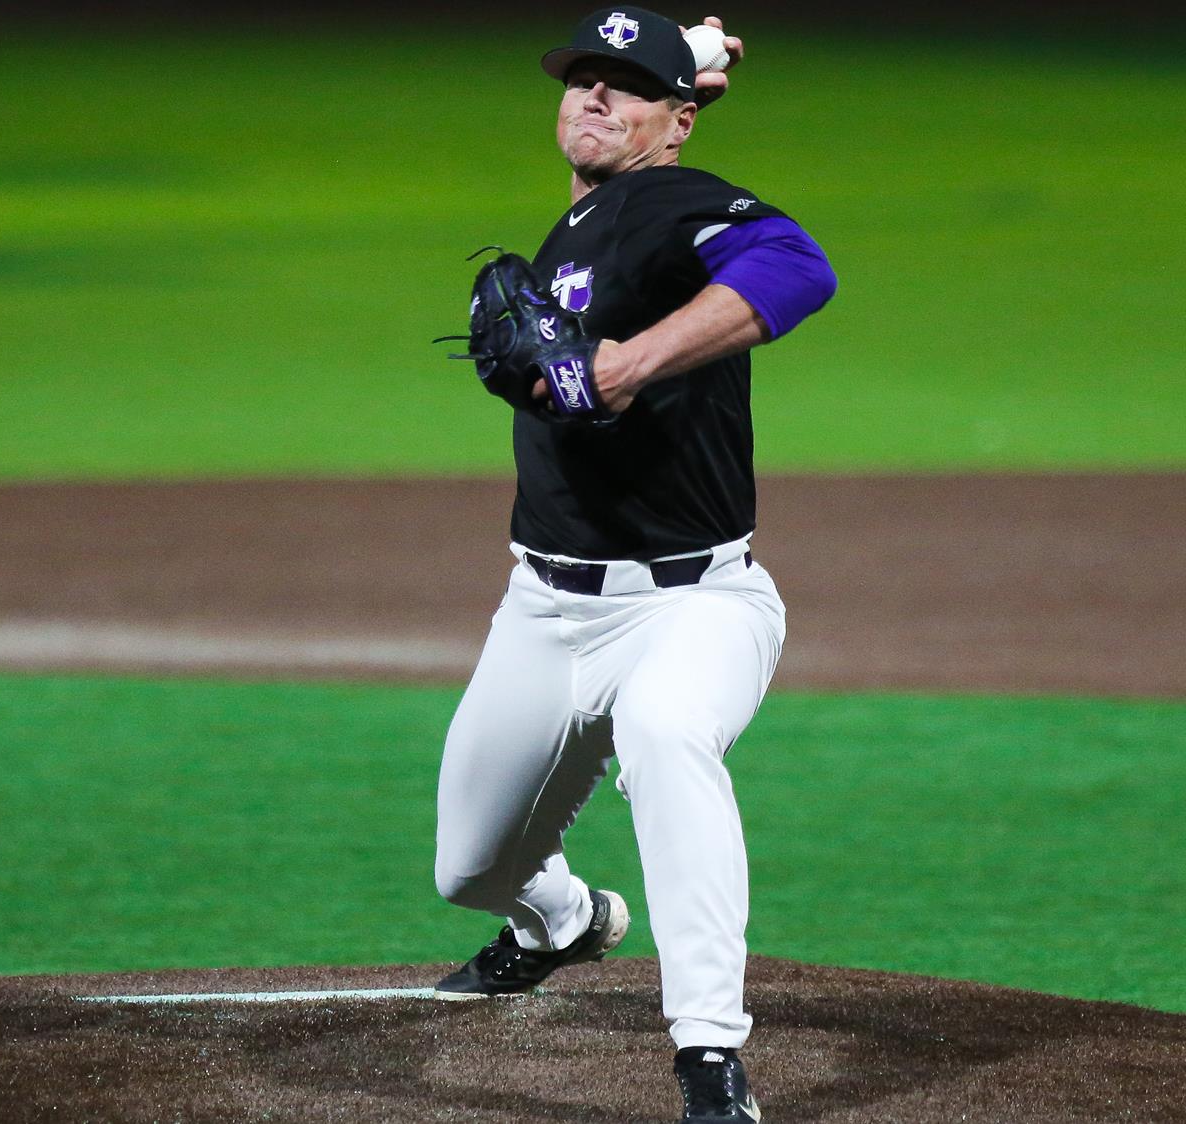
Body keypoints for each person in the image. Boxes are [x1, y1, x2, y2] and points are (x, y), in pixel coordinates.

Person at [430, 8, 835, 1121]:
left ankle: (708, 1053)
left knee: (665, 732)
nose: (591, 99)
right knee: (467, 870)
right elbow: (642, 111)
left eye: (624, 88)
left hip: (696, 601)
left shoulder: (670, 199)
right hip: (542, 611)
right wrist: (684, 64)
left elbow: (797, 265)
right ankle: (560, 919)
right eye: (580, 82)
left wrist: (623, 368)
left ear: (678, 126)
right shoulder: (596, 207)